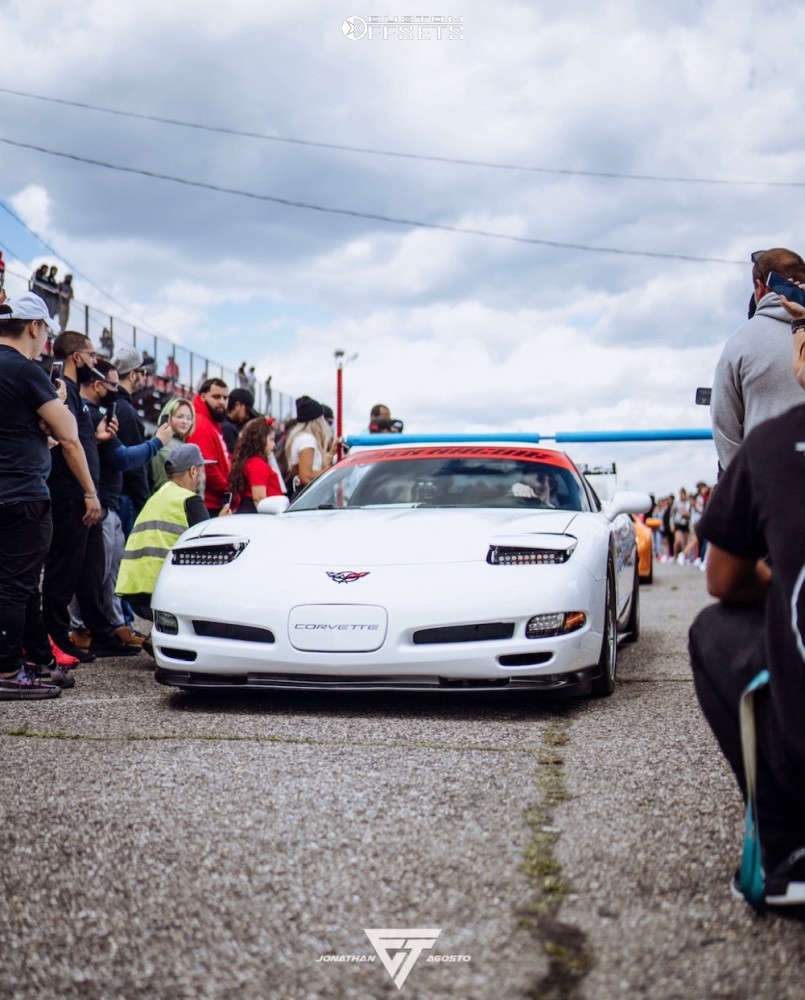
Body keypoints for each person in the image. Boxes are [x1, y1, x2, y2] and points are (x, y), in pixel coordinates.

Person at [689, 290, 805, 912]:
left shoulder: (771, 442)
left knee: (715, 627)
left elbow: (724, 580)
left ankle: (789, 843)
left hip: (758, 491)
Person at [0, 293, 81, 698]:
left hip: (10, 487)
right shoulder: (26, 370)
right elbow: (68, 432)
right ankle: (8, 671)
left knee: (22, 583)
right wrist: (59, 403)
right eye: (46, 327)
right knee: (17, 585)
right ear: (34, 326)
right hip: (22, 496)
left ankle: (36, 660)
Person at [43, 331, 139, 662]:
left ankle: (100, 632)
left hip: (86, 495)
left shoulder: (78, 399)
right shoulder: (62, 392)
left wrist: (97, 438)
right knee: (64, 571)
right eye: (92, 354)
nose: (95, 362)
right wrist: (88, 492)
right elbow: (66, 446)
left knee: (91, 571)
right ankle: (56, 637)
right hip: (72, 495)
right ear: (76, 357)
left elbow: (80, 442)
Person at [71, 359, 172, 650]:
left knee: (108, 574)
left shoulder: (102, 414)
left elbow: (115, 454)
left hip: (109, 502)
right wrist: (156, 443)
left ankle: (110, 627)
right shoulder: (90, 412)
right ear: (98, 382)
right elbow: (123, 459)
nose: (116, 391)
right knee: (94, 573)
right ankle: (85, 628)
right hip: (99, 502)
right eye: (112, 384)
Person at [711, 248, 805, 471]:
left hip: (768, 485)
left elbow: (724, 423)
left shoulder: (740, 342)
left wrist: (747, 484)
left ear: (760, 287)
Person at [116, 444, 229, 620]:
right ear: (193, 471)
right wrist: (221, 523)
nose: (203, 475)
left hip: (134, 588)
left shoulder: (158, 497)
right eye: (202, 469)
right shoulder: (189, 500)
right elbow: (211, 545)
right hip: (160, 591)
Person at [111, 345, 148, 533]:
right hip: (125, 498)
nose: (145, 376)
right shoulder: (127, 412)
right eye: (143, 371)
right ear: (133, 375)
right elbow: (135, 465)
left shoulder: (110, 403)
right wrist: (144, 503)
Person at [187, 377, 231, 515]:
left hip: (212, 501)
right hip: (207, 503)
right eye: (216, 397)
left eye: (225, 398)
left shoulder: (212, 422)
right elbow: (207, 466)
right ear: (203, 396)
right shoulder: (201, 423)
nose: (222, 402)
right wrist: (228, 488)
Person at [228, 418, 283, 513]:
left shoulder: (252, 462)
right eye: (271, 440)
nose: (274, 445)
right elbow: (260, 499)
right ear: (260, 440)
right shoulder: (258, 465)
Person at [284, 396, 335, 493]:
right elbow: (306, 477)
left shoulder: (300, 437)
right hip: (308, 494)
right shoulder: (307, 440)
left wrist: (332, 453)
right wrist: (332, 471)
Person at [151, 397, 195, 491]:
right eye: (180, 417)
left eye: (189, 418)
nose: (185, 422)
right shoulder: (165, 447)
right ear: (168, 418)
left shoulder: (179, 444)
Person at [221, 387, 258, 454]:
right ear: (237, 405)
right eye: (246, 411)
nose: (248, 416)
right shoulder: (227, 428)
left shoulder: (225, 423)